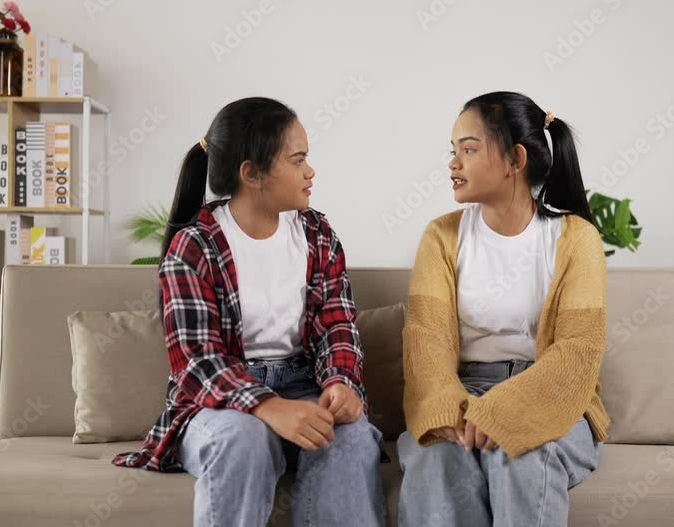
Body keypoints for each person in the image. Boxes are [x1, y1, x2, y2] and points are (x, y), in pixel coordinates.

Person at [112, 97, 385, 527]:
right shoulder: (195, 246)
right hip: (218, 403)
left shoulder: (317, 234)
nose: (310, 171)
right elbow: (197, 363)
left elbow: (338, 325)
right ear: (252, 173)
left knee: (351, 440)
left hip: (304, 384)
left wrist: (341, 383)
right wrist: (266, 405)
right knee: (244, 439)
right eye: (298, 161)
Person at [398, 91, 611, 526]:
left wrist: (505, 411)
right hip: (463, 392)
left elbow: (577, 353)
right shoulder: (441, 237)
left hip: (554, 395)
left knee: (519, 454)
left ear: (516, 159)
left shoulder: (577, 239)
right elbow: (426, 340)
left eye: (469, 149)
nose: (453, 163)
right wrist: (448, 410)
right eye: (453, 151)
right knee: (436, 459)